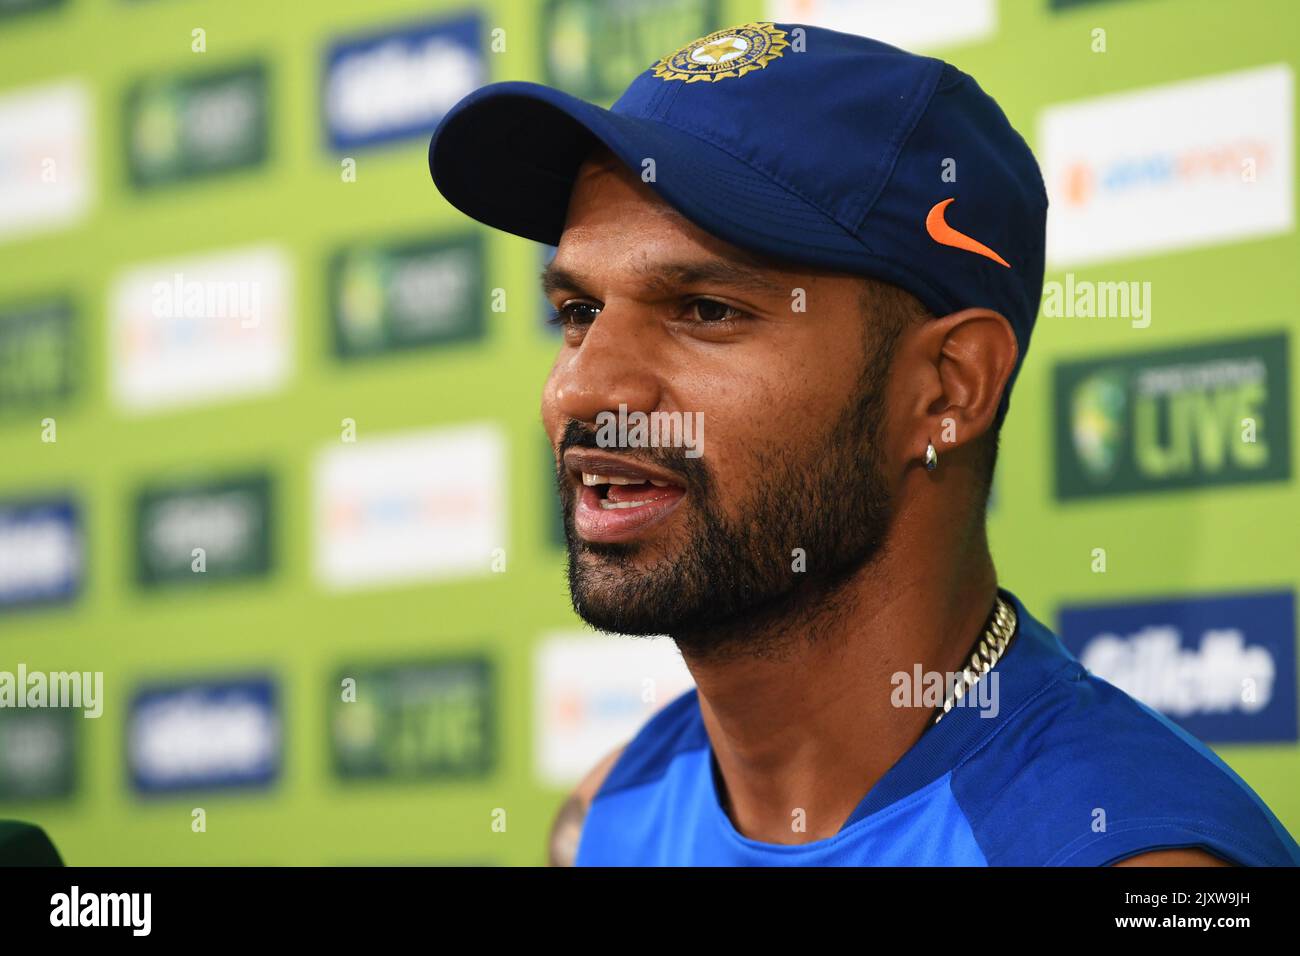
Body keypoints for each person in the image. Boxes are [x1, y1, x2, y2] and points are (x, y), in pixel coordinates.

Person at [428, 21, 1300, 866]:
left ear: (947, 388)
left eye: (707, 311)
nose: (582, 388)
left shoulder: (1129, 859)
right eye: (579, 314)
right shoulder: (606, 821)